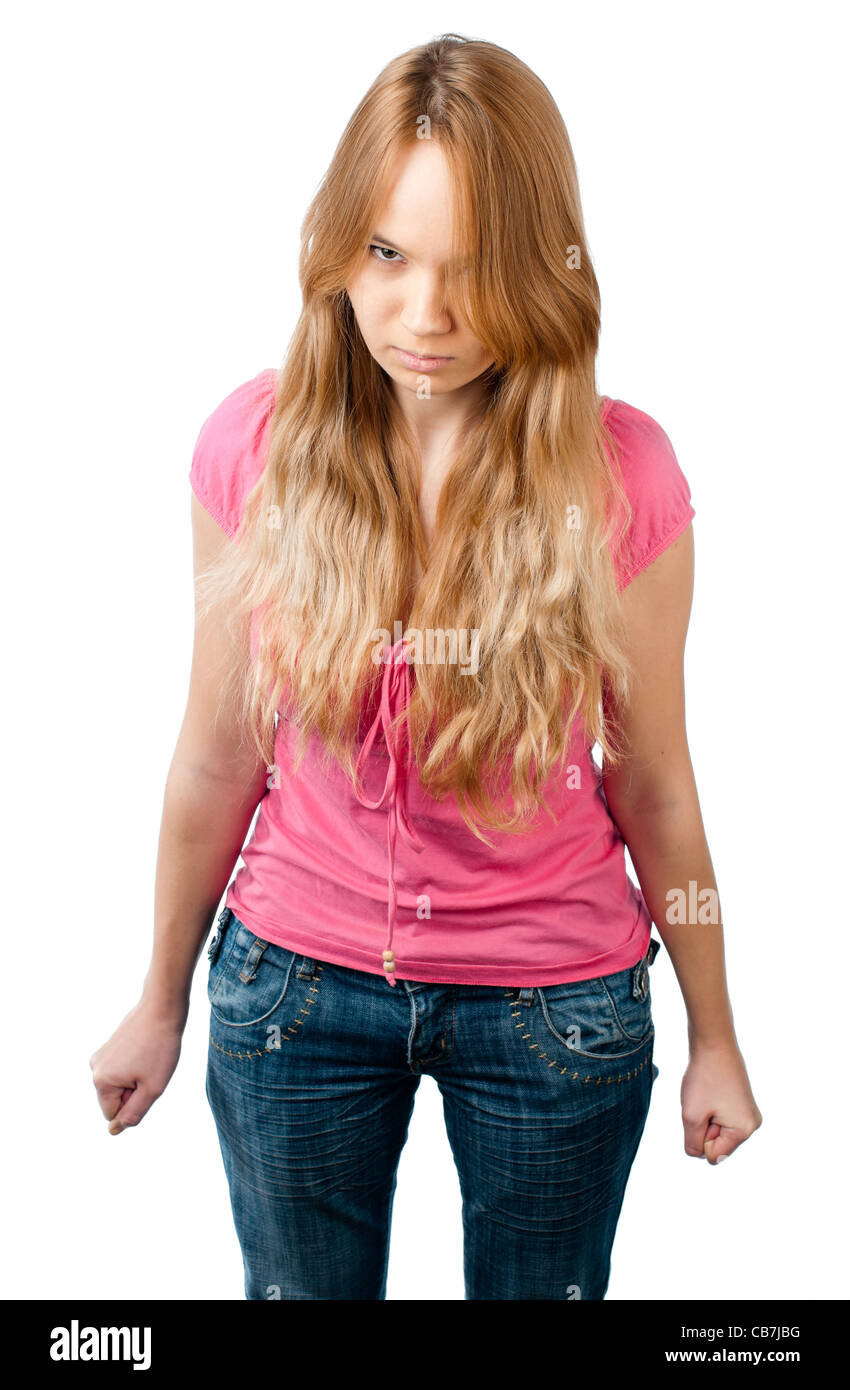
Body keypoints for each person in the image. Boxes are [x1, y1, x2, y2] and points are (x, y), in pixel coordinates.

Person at [90, 33, 762, 1301]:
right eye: (389, 255)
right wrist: (159, 999)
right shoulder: (255, 446)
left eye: (475, 268)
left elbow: (654, 783)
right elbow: (215, 752)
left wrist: (715, 1037)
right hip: (292, 993)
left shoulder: (623, 480)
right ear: (339, 244)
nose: (426, 316)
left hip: (556, 1014)